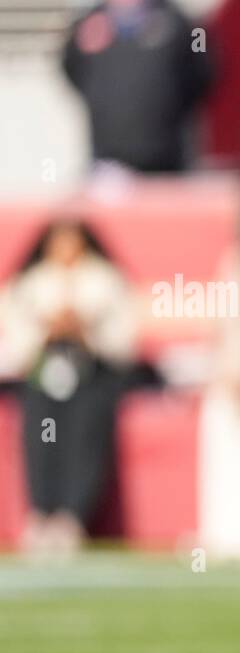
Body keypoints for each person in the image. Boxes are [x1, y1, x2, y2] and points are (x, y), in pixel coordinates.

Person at [3, 220, 135, 554]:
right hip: (42, 371)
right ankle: (42, 512)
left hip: (90, 373)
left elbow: (123, 342)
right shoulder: (30, 284)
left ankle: (72, 516)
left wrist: (84, 329)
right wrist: (45, 331)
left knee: (84, 438)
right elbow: (14, 343)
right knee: (42, 439)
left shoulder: (105, 280)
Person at [62, 0, 212, 173]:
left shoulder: (182, 23)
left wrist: (171, 103)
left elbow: (202, 68)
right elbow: (70, 66)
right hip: (107, 160)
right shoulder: (88, 24)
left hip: (167, 160)